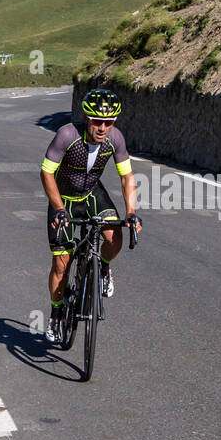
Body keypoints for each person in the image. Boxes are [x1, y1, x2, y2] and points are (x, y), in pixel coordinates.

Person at [40, 88, 141, 347]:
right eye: (97, 121)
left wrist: (131, 213)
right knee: (61, 265)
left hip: (92, 194)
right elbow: (47, 173)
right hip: (63, 200)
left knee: (114, 237)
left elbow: (127, 176)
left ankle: (103, 266)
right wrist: (58, 208)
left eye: (109, 122)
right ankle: (56, 313)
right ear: (87, 118)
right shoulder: (67, 135)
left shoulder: (115, 139)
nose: (103, 127)